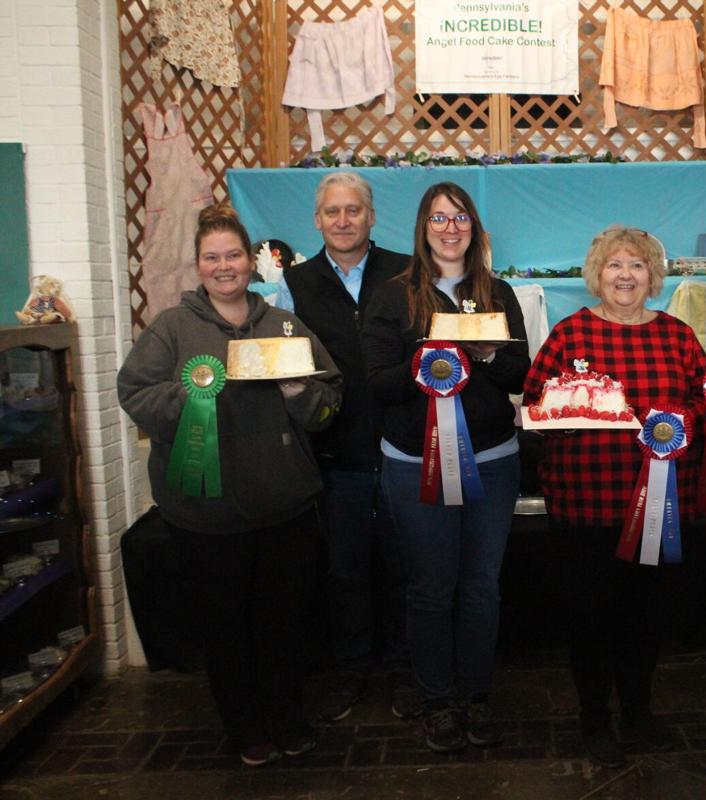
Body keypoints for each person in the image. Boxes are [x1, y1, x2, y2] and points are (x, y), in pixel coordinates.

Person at [117, 203, 343, 766]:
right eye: (212, 257)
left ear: (251, 261)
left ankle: (287, 717)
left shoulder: (285, 325)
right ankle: (244, 727)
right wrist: (192, 393)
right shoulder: (172, 328)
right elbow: (135, 394)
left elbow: (329, 402)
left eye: (234, 255)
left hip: (286, 509)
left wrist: (301, 394)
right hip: (206, 516)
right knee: (224, 629)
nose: (224, 266)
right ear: (198, 265)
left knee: (283, 624)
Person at [523, 226, 706, 769]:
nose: (625, 275)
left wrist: (680, 421)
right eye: (614, 265)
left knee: (646, 617)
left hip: (660, 508)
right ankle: (594, 719)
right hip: (586, 505)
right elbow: (535, 402)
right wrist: (560, 415)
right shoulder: (569, 335)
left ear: (653, 276)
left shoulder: (677, 336)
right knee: (591, 619)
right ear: (596, 275)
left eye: (637, 265)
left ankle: (638, 712)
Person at [361, 182, 529, 753]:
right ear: (422, 227)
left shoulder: (498, 292)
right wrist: (426, 361)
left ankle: (476, 696)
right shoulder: (392, 297)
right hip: (414, 462)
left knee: (482, 588)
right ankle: (436, 701)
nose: (450, 228)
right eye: (438, 218)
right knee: (431, 589)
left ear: (474, 227)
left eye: (460, 218)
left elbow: (521, 375)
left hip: (493, 459)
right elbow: (377, 383)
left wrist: (489, 355)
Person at [275, 172, 415, 723]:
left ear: (371, 216)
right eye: (332, 211)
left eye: (353, 210)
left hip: (405, 446)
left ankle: (405, 669)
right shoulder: (295, 283)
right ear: (317, 220)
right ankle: (352, 670)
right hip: (336, 451)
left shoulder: (408, 272)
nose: (342, 220)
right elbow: (286, 358)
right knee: (346, 571)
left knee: (405, 566)